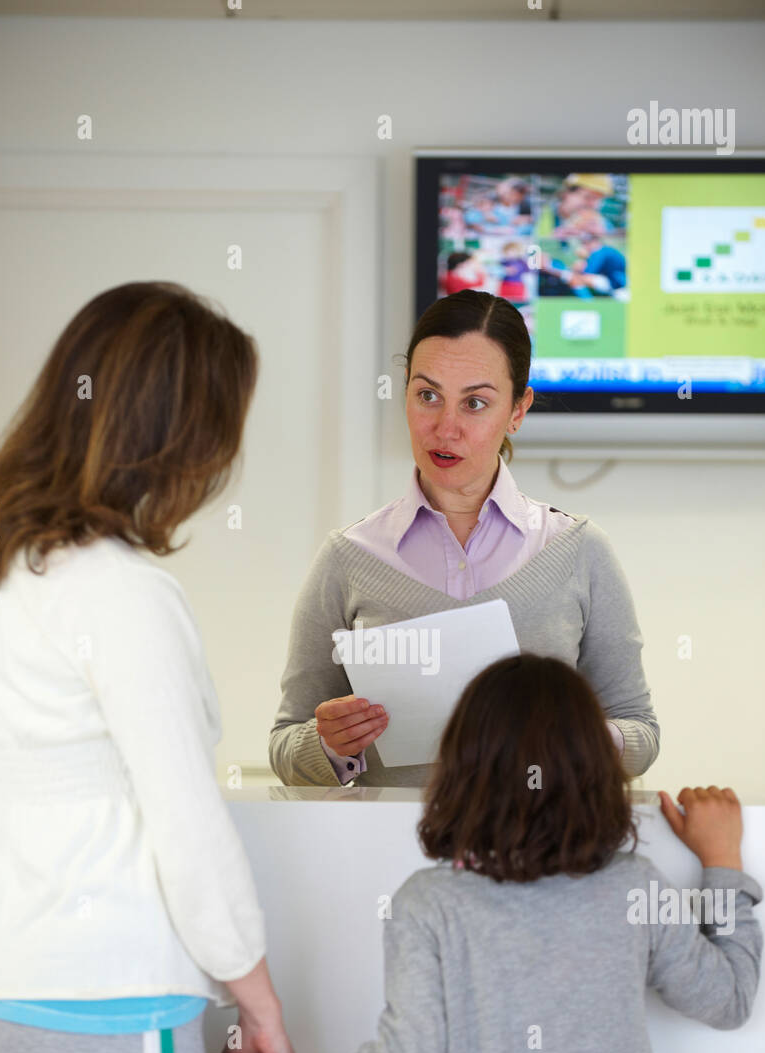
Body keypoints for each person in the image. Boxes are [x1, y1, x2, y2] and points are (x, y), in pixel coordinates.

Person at [215, 653, 763, 1053]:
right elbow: (728, 996)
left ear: (462, 769)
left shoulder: (431, 904)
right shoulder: (632, 890)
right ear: (595, 770)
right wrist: (723, 861)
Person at [0, 281, 298, 1053]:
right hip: (101, 1008)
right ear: (177, 441)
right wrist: (258, 1003)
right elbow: (185, 823)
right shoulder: (126, 592)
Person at [269, 289, 659, 788]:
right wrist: (328, 745)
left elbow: (641, 736)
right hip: (392, 858)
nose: (445, 428)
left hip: (538, 857)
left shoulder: (579, 551)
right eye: (427, 395)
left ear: (518, 409)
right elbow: (285, 747)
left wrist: (580, 736)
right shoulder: (348, 558)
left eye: (475, 403)